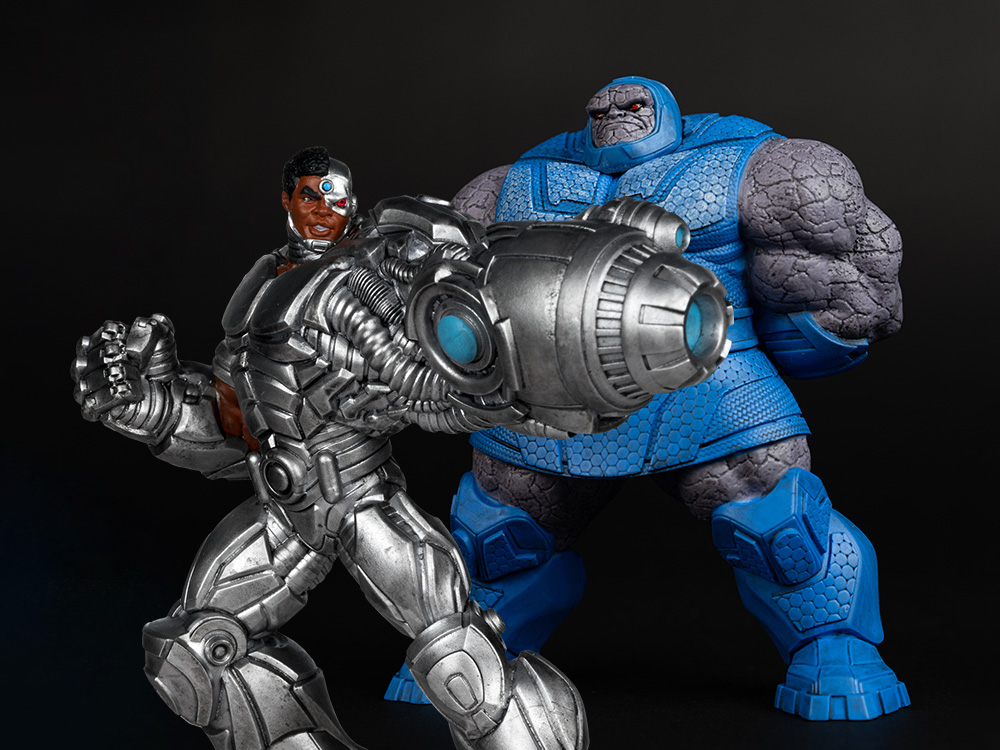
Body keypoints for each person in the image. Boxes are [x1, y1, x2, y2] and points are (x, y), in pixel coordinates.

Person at [71, 145, 731, 747]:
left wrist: (534, 371)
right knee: (192, 654)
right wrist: (154, 406)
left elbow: (457, 358)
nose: (325, 208)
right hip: (286, 511)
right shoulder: (272, 284)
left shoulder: (382, 266)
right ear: (287, 200)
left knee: (465, 665)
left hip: (363, 504)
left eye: (336, 195)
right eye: (311, 195)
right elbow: (239, 424)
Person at [386, 77, 908, 721]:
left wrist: (811, 334)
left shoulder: (746, 167)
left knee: (780, 527)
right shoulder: (514, 185)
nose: (614, 115)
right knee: (496, 535)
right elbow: (454, 295)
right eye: (602, 108)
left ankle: (835, 647)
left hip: (707, 384)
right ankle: (473, 656)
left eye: (632, 106)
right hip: (550, 395)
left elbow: (840, 293)